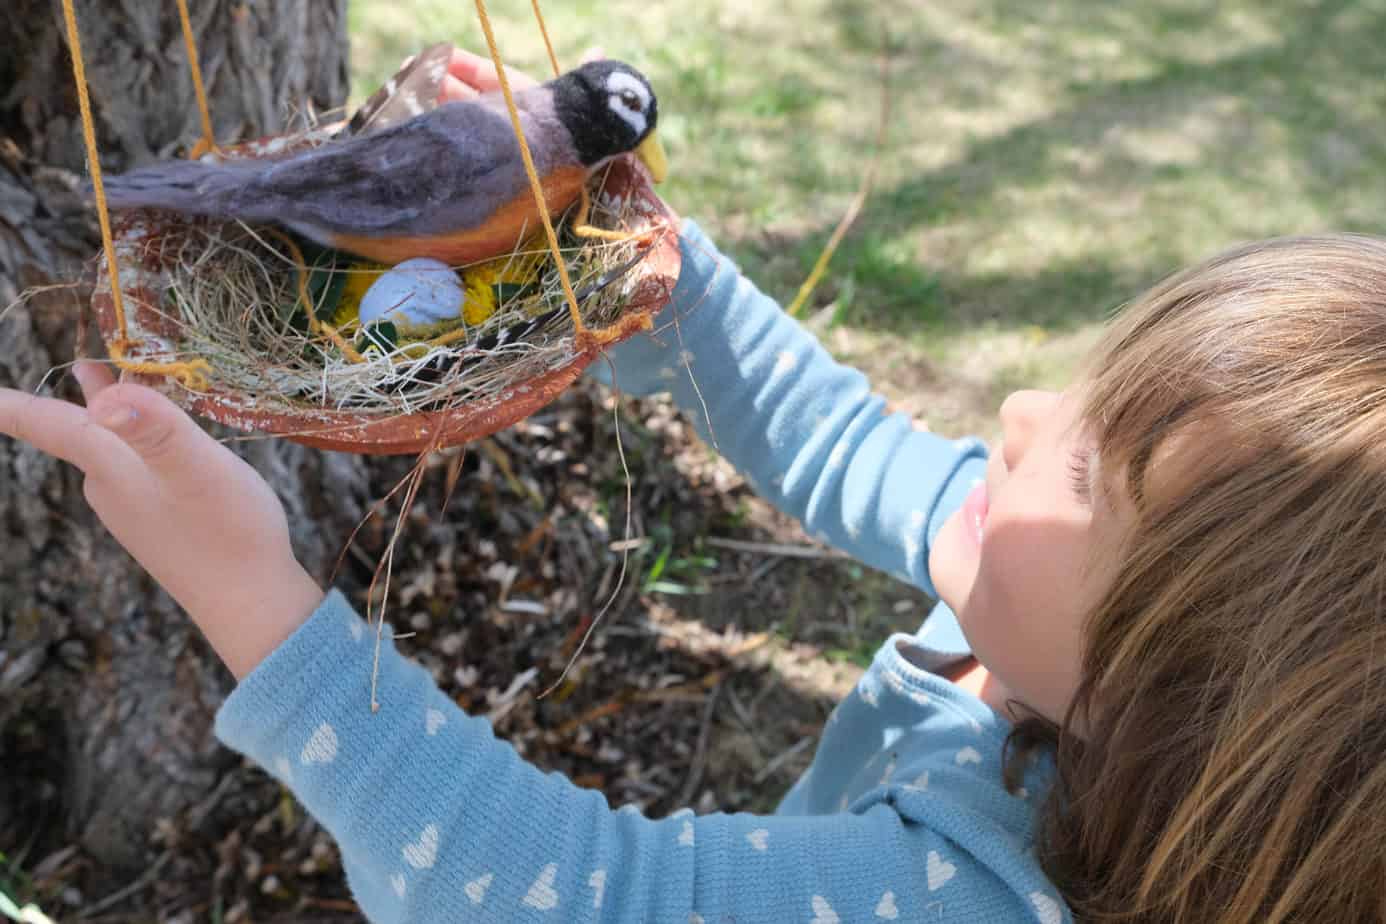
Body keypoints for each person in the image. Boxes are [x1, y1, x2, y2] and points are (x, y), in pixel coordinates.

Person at [5, 49, 1386, 924]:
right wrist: (640, 273)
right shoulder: (1061, 632)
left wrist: (248, 591)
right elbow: (833, 443)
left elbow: (564, 896)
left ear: (1187, 693)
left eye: (1081, 466)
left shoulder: (963, 904)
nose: (1018, 412)